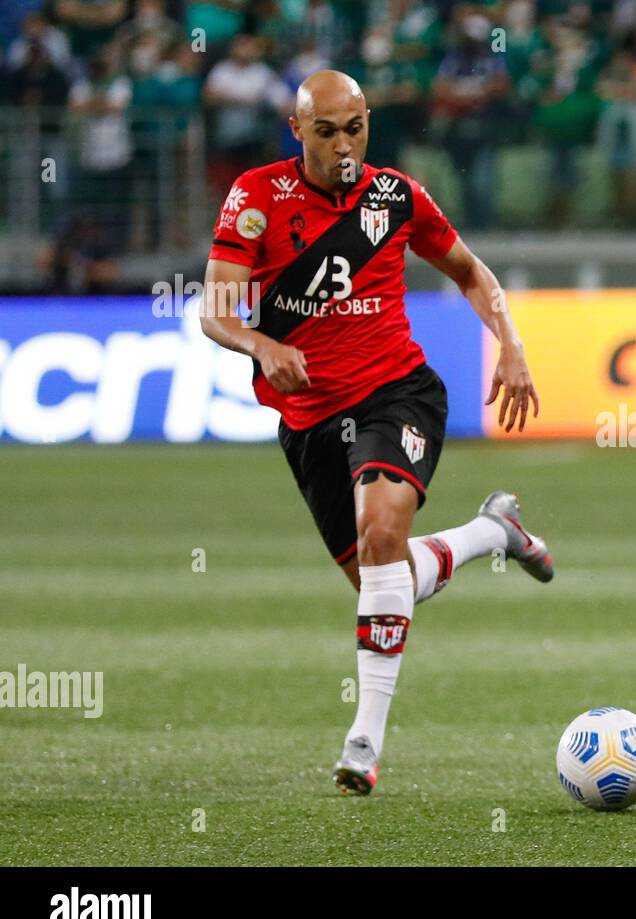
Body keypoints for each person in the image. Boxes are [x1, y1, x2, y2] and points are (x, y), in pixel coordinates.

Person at [200, 70, 552, 796]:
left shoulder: (395, 196)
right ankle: (495, 532)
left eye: (354, 127)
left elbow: (470, 270)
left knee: (383, 534)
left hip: (398, 393)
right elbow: (216, 311)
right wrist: (262, 346)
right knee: (383, 581)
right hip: (308, 421)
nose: (343, 144)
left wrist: (510, 343)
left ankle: (365, 738)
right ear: (296, 131)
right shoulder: (257, 198)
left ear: (369, 125)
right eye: (324, 131)